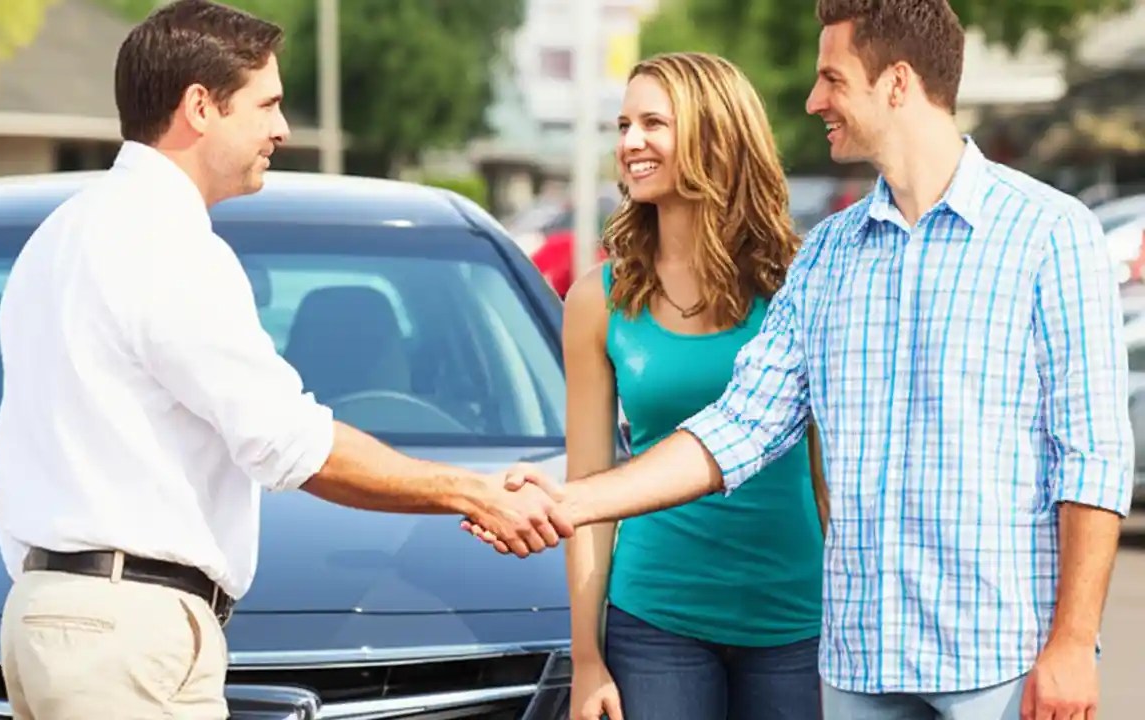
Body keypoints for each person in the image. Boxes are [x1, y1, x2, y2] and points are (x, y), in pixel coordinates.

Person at [470, 1, 1133, 718]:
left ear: (897, 83)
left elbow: (1092, 453)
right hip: (860, 663)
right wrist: (570, 501)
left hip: (997, 659)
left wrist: (1074, 640)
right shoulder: (828, 256)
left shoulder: (1050, 233)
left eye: (832, 79)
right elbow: (741, 427)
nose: (815, 100)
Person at [0, 1, 569, 718]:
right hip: (129, 635)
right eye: (266, 104)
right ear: (200, 107)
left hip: (44, 619)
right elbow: (286, 442)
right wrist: (472, 492)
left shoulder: (59, 235)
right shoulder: (168, 245)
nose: (281, 128)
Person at [562, 52, 826, 720]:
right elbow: (589, 488)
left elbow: (831, 470)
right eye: (623, 125)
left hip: (796, 621)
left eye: (654, 122)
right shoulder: (599, 300)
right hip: (655, 622)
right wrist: (587, 659)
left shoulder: (803, 284)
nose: (629, 143)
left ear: (716, 133)